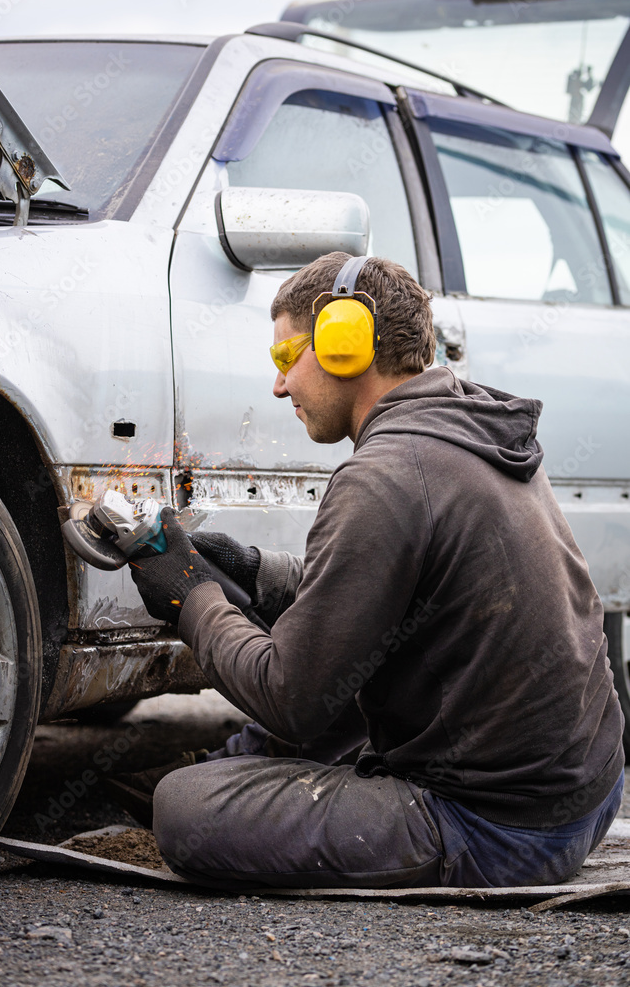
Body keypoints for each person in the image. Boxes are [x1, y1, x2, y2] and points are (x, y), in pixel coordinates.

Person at [126, 252, 624, 891]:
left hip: (501, 829)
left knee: (184, 807)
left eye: (285, 360)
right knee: (347, 660)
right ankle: (251, 765)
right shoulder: (467, 429)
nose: (279, 387)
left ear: (344, 343)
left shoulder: (384, 477)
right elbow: (385, 589)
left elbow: (291, 700)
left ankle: (258, 780)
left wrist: (190, 597)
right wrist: (255, 571)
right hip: (587, 794)